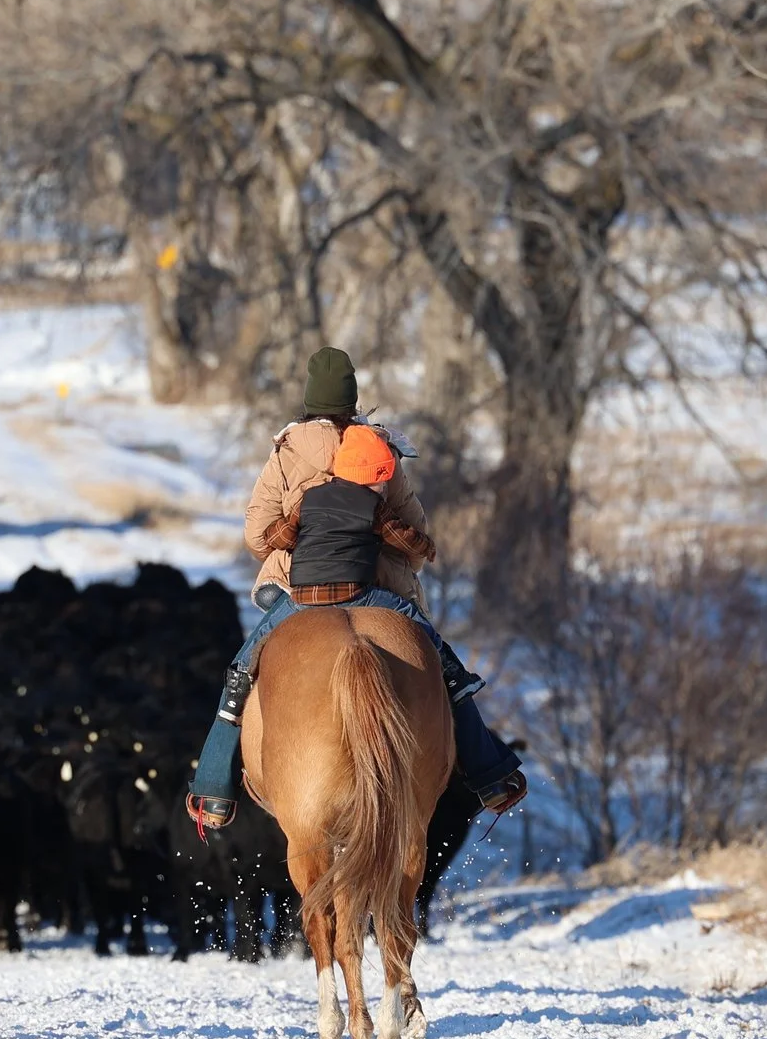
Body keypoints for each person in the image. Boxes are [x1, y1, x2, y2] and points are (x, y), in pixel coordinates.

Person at [186, 347, 528, 831]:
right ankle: (491, 775)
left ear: (309, 399)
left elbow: (258, 537)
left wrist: (298, 534)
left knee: (239, 679)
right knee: (448, 673)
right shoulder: (378, 451)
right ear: (352, 399)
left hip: (296, 593)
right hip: (374, 591)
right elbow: (413, 541)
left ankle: (213, 792)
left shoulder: (285, 453)